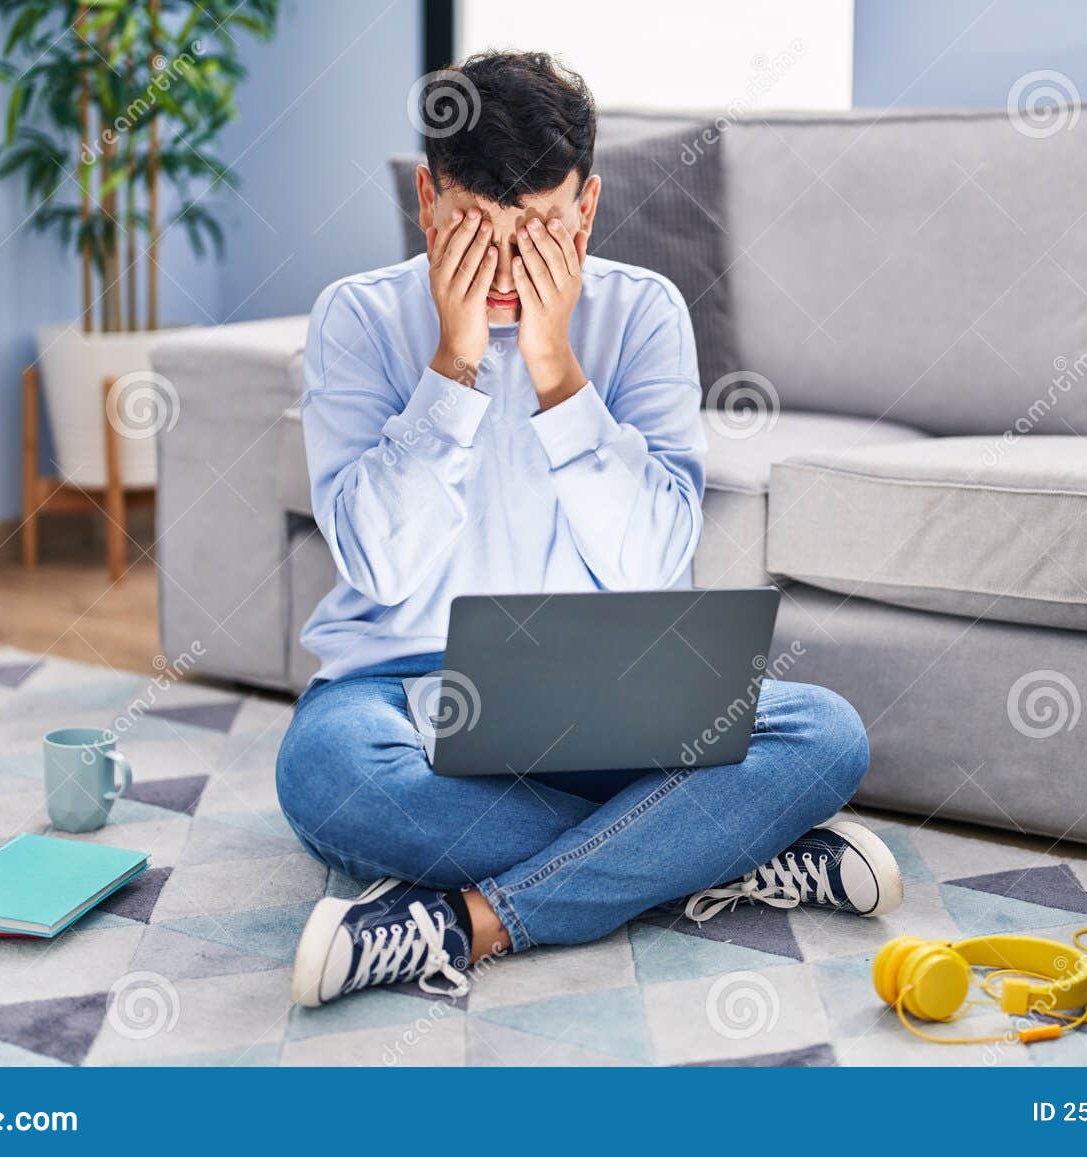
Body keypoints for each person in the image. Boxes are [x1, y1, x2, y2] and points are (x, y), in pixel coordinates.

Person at [277, 51, 901, 1007]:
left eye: (537, 229)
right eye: (474, 227)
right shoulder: (356, 318)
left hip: (607, 699)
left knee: (826, 731)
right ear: (427, 196)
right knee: (329, 777)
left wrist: (557, 369)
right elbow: (379, 567)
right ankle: (721, 846)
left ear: (588, 207)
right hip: (400, 693)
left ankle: (470, 919)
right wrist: (453, 368)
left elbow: (652, 565)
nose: (503, 264)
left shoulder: (643, 312)